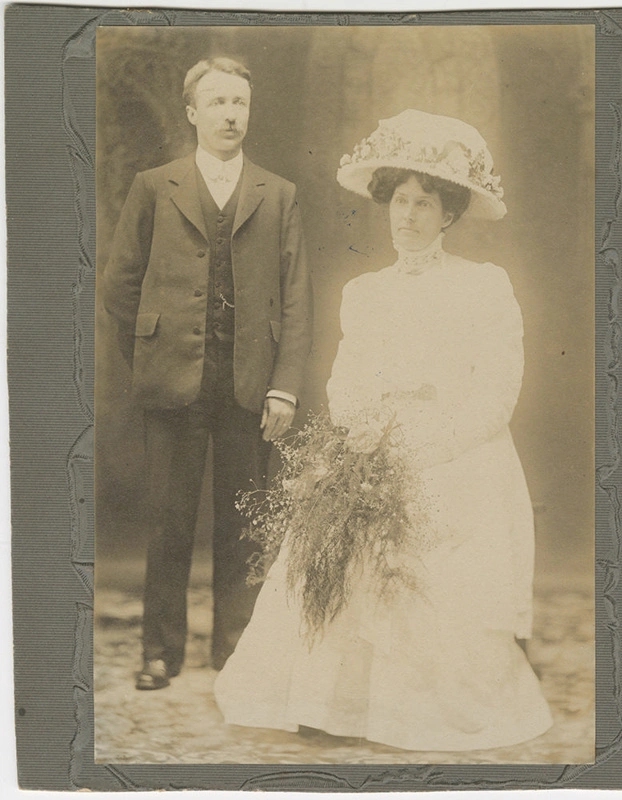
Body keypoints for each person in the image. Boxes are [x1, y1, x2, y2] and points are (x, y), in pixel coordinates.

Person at [214, 109, 552, 751]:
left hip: (459, 449)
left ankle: (419, 706)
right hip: (375, 441)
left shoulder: (485, 286)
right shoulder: (365, 291)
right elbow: (347, 379)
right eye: (401, 200)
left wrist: (429, 448)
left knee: (432, 543)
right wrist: (362, 432)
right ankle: (327, 698)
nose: (410, 216)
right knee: (340, 529)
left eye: (425, 203)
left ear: (449, 214)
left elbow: (497, 394)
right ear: (386, 205)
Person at [102, 57, 313, 690]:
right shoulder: (154, 186)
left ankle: (236, 648)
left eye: (240, 103)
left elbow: (296, 297)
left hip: (251, 384)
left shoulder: (278, 194)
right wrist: (150, 358)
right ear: (192, 112)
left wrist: (285, 385)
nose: (230, 114)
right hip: (173, 384)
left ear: (250, 111)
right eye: (217, 102)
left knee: (243, 519)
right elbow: (119, 287)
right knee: (169, 521)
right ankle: (160, 652)